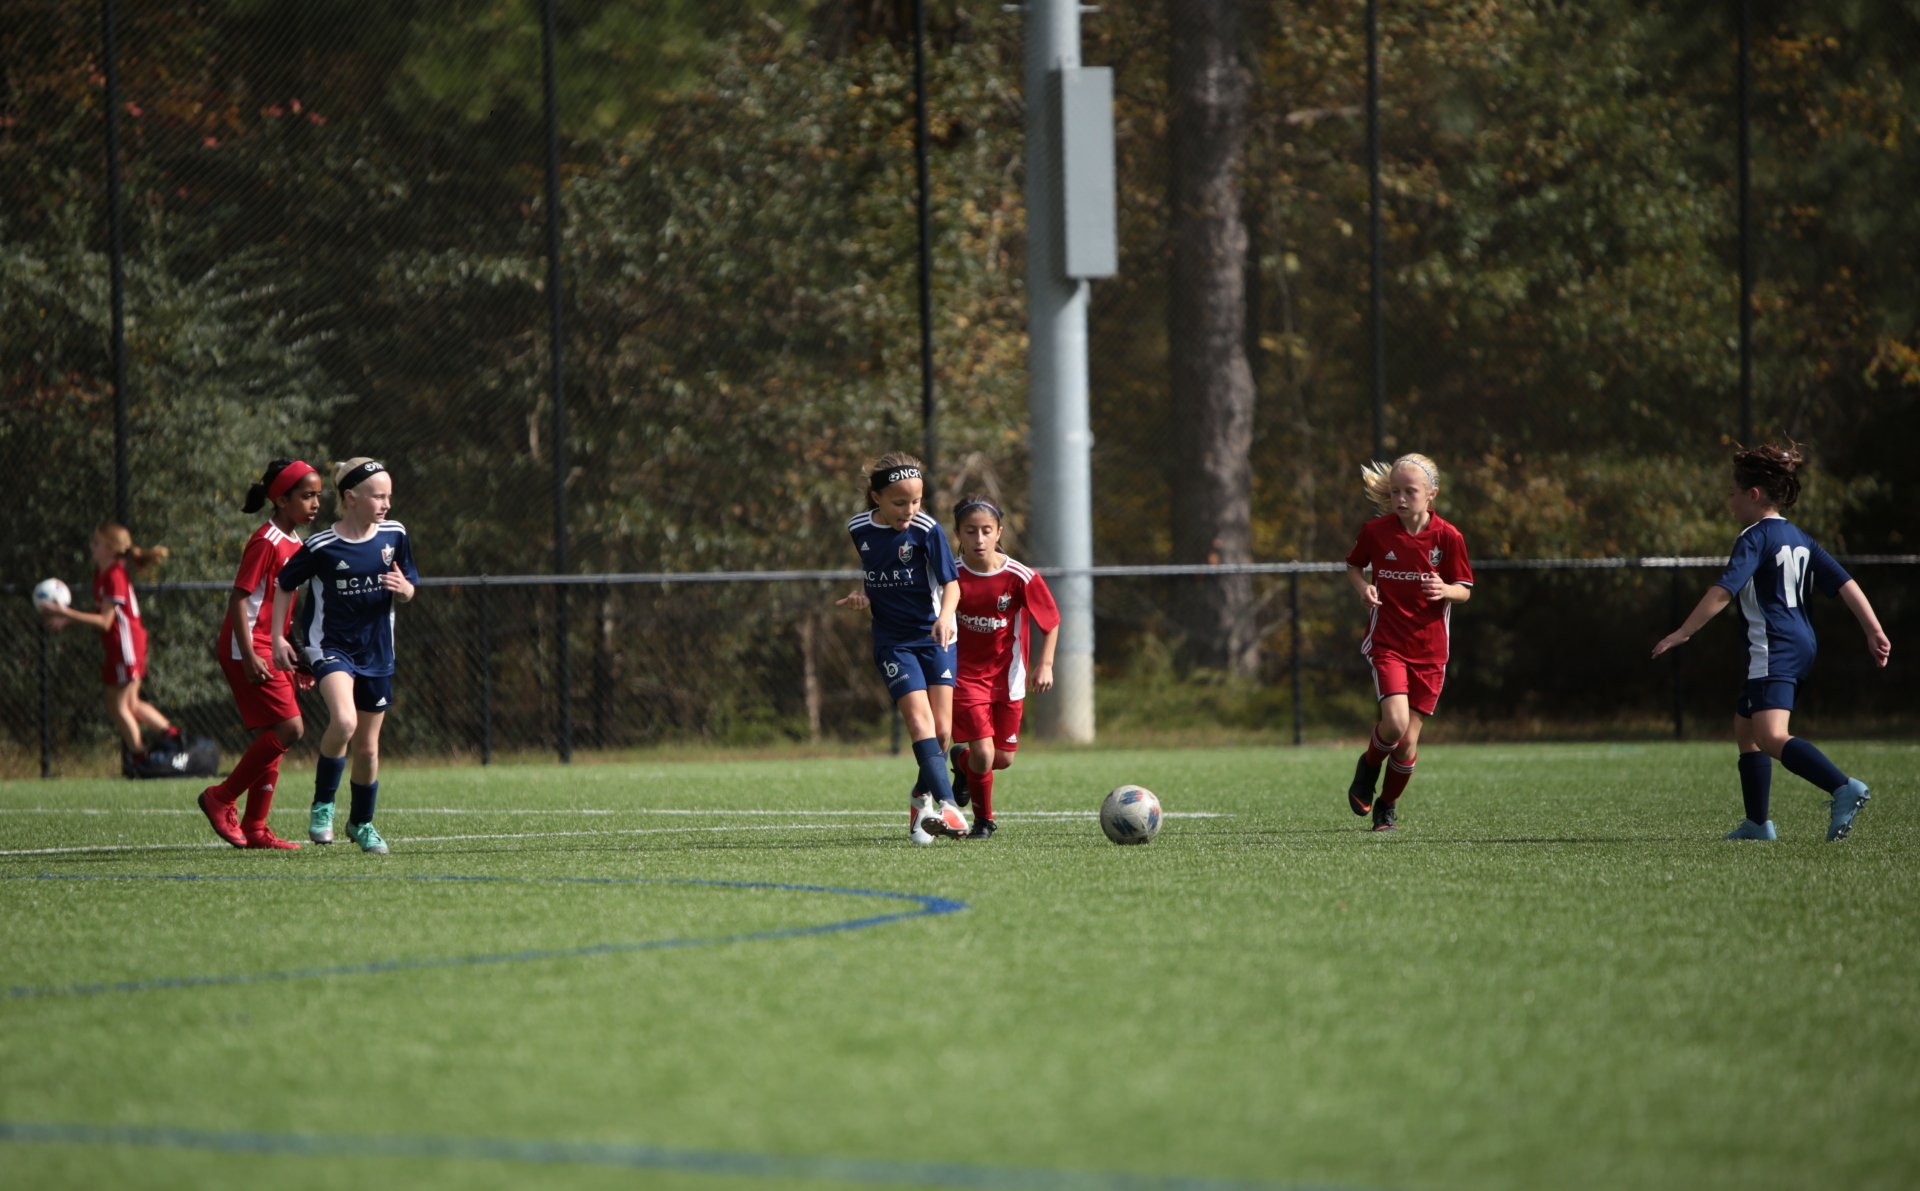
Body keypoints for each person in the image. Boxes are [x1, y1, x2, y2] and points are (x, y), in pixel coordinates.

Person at [1652, 443, 1889, 841]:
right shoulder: (1798, 537)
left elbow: (1723, 590)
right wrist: (1873, 629)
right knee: (1745, 727)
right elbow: (1845, 582)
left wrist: (1683, 632)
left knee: (1770, 735)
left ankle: (1843, 787)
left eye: (1733, 493)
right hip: (1800, 643)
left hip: (1773, 645)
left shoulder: (1754, 537)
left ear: (1754, 494)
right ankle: (1758, 824)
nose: (1730, 500)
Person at [269, 458, 418, 855]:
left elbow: (409, 584)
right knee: (345, 720)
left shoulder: (395, 534)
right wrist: (278, 637)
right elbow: (285, 583)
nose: (386, 503)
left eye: (389, 496)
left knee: (368, 748)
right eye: (378, 496)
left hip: (377, 651)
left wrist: (405, 590)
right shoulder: (321, 546)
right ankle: (323, 806)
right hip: (330, 647)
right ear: (351, 497)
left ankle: (361, 823)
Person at [836, 453, 969, 844]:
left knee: (942, 733)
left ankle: (920, 796)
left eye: (916, 501)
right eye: (899, 502)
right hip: (893, 642)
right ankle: (949, 807)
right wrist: (864, 595)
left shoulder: (928, 530)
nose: (909, 510)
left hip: (936, 636)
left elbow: (952, 584)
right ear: (876, 496)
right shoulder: (859, 528)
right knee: (918, 722)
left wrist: (945, 617)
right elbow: (876, 574)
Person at [194, 460, 325, 850]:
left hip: (272, 645)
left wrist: (295, 656)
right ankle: (220, 798)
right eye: (307, 495)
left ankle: (255, 827)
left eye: (318, 495)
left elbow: (282, 608)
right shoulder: (266, 541)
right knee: (290, 729)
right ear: (281, 499)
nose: (316, 503)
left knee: (277, 732)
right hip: (248, 645)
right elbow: (239, 599)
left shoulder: (296, 543)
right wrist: (250, 654)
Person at [1343, 454, 1475, 831]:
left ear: (1431, 494)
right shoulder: (1376, 532)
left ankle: (1386, 805)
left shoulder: (1448, 537)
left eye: (1410, 491)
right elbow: (1353, 566)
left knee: (1406, 744)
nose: (1400, 498)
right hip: (1387, 642)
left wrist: (1446, 589)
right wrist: (1364, 588)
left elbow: (1465, 589)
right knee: (1395, 722)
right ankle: (1368, 767)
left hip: (1430, 651)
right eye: (1395, 491)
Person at [944, 495, 1060, 840]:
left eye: (986, 530)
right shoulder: (951, 577)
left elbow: (1050, 620)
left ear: (999, 532)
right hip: (965, 677)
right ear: (958, 534)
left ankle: (962, 764)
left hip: (1008, 677)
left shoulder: (1019, 576)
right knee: (983, 752)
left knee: (1003, 759)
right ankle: (984, 821)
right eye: (970, 531)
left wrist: (1045, 664)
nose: (979, 539)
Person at [36, 523, 180, 774]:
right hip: (120, 645)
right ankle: (172, 737)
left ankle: (142, 757)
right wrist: (67, 619)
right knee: (126, 704)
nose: (92, 546)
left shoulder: (114, 575)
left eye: (97, 543)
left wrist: (65, 612)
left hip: (126, 645)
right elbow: (103, 615)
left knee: (120, 706)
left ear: (111, 549)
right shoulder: (102, 573)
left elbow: (105, 621)